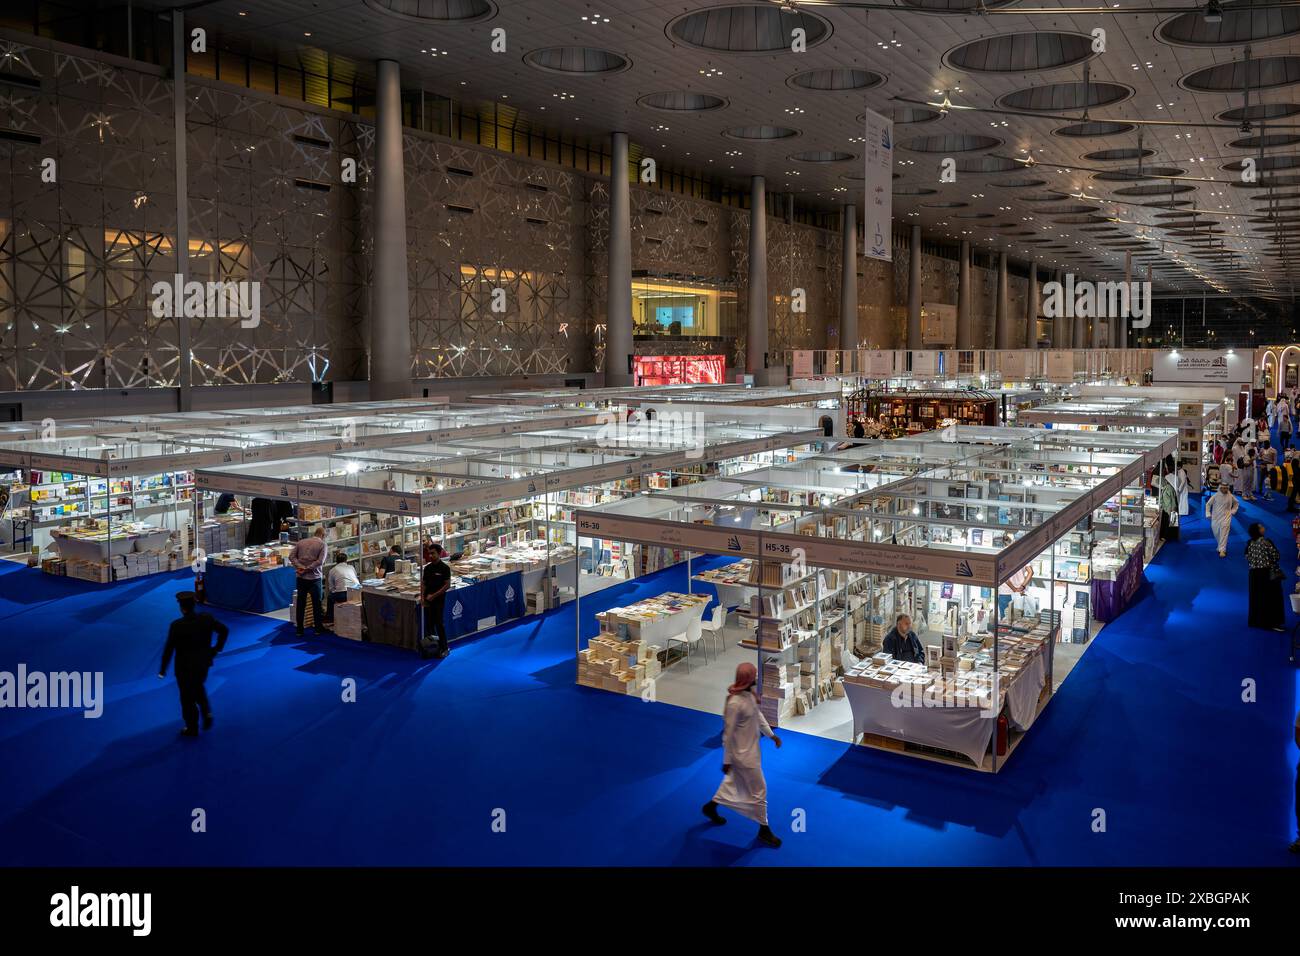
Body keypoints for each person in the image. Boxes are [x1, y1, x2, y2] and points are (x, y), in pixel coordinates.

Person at [702, 661, 783, 848]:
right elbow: (728, 734)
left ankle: (711, 807)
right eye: (753, 675)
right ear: (747, 679)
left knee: (732, 783)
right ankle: (764, 829)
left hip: (752, 752)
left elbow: (758, 716)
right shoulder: (735, 703)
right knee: (760, 790)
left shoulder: (749, 696)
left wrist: (772, 735)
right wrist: (727, 760)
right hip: (743, 757)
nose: (756, 678)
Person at [157, 591, 229, 737]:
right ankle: (206, 711)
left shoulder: (177, 626)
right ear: (194, 604)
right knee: (197, 686)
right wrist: (215, 650)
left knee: (186, 698)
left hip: (184, 668)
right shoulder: (206, 618)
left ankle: (192, 727)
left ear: (181, 608)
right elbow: (224, 630)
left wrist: (163, 669)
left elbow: (169, 648)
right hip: (203, 663)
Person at [1244, 523, 1285, 631]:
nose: (1264, 528)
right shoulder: (1267, 542)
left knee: (1256, 598)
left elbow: (1247, 557)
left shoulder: (1249, 543)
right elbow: (1276, 556)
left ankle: (1257, 621)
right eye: (1261, 526)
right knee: (1272, 598)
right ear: (1259, 530)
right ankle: (1273, 623)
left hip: (1253, 574)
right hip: (1267, 573)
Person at [289, 526, 328, 637]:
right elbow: (320, 562)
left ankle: (299, 630)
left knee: (301, 604)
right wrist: (308, 568)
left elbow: (291, 556)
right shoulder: (322, 545)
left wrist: (300, 566)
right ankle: (318, 629)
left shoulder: (301, 542)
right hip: (314, 578)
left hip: (301, 578)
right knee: (317, 604)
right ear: (323, 535)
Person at [420, 542, 452, 659]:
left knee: (439, 624)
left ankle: (444, 647)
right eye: (429, 554)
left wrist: (434, 595)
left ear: (439, 553)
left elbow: (447, 585)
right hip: (428, 600)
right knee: (429, 624)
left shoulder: (445, 568)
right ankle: (431, 647)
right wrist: (423, 597)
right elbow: (423, 584)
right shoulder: (427, 568)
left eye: (433, 553)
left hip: (438, 600)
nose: (431, 556)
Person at [1205, 482, 1239, 558]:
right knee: (1216, 532)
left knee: (1224, 533)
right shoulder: (1215, 496)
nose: (1225, 489)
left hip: (1226, 517)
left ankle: (1222, 550)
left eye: (1226, 488)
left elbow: (1236, 503)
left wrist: (1233, 511)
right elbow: (1208, 504)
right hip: (1215, 518)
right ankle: (1220, 546)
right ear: (1220, 488)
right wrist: (1208, 514)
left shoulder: (1230, 496)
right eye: (1223, 488)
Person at [326, 551, 359, 624]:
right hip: (357, 592)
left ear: (336, 561)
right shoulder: (351, 567)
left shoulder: (332, 570)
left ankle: (330, 618)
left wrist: (337, 590)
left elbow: (331, 588)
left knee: (330, 597)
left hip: (343, 594)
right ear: (346, 560)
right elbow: (356, 578)